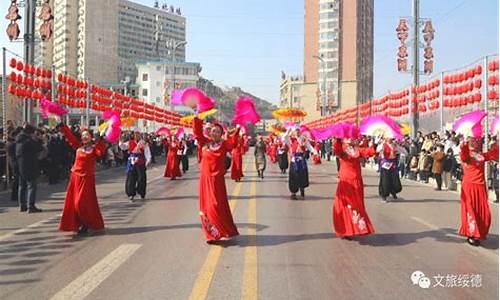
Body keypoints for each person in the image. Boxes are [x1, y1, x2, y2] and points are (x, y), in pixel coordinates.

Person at [193, 117, 240, 243]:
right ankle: (211, 234)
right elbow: (197, 132)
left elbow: (233, 143)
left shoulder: (224, 145)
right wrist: (197, 117)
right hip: (205, 179)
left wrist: (238, 128)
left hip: (217, 181)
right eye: (213, 131)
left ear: (221, 134)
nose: (214, 133)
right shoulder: (205, 142)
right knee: (206, 208)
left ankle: (222, 230)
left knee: (215, 206)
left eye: (217, 132)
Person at [57, 122, 106, 235]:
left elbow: (100, 152)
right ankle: (80, 224)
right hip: (76, 178)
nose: (84, 137)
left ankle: (87, 223)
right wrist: (62, 126)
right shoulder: (78, 146)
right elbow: (69, 136)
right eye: (83, 135)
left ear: (90, 137)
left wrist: (101, 140)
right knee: (74, 204)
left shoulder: (94, 149)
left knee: (82, 203)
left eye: (87, 135)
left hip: (87, 179)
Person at [333, 137, 377, 239]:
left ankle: (357, 227)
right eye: (349, 137)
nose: (352, 139)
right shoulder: (343, 149)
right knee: (347, 205)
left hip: (357, 180)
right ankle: (346, 229)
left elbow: (368, 152)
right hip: (346, 181)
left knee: (358, 205)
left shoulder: (357, 149)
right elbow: (337, 150)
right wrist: (338, 140)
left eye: (353, 137)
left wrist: (374, 143)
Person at [458, 137, 498, 246]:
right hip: (469, 187)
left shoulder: (481, 155)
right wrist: (464, 145)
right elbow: (463, 155)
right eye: (474, 140)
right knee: (471, 211)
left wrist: (498, 142)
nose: (476, 142)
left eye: (477, 140)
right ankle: (471, 234)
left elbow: (494, 154)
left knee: (484, 213)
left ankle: (480, 232)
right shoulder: (466, 155)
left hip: (480, 186)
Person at [15, 124, 44, 213]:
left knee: (22, 186)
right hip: (29, 165)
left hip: (20, 165)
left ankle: (22, 205)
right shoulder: (28, 141)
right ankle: (30, 206)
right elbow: (38, 148)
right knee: (32, 186)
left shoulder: (19, 140)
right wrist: (39, 140)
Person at [283, 127, 316, 199]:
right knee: (293, 177)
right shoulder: (290, 139)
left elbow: (309, 147)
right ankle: (293, 192)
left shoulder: (303, 139)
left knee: (302, 175)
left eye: (298, 131)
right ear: (293, 132)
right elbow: (284, 138)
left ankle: (302, 188)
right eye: (295, 131)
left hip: (302, 160)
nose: (297, 132)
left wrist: (314, 152)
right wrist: (288, 131)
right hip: (294, 161)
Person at [120, 132, 152, 202]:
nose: (136, 136)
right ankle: (131, 193)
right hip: (131, 162)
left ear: (140, 135)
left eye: (138, 134)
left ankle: (141, 192)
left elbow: (147, 153)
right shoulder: (130, 142)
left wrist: (147, 161)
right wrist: (120, 140)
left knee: (141, 178)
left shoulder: (143, 143)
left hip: (140, 162)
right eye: (135, 134)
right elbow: (123, 147)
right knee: (130, 179)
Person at [377, 138, 406, 202]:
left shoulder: (395, 145)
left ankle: (393, 191)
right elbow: (377, 150)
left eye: (391, 137)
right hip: (385, 164)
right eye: (388, 137)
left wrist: (399, 147)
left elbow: (404, 151)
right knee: (385, 180)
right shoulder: (383, 145)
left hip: (393, 164)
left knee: (394, 179)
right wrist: (381, 144)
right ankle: (384, 195)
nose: (390, 139)